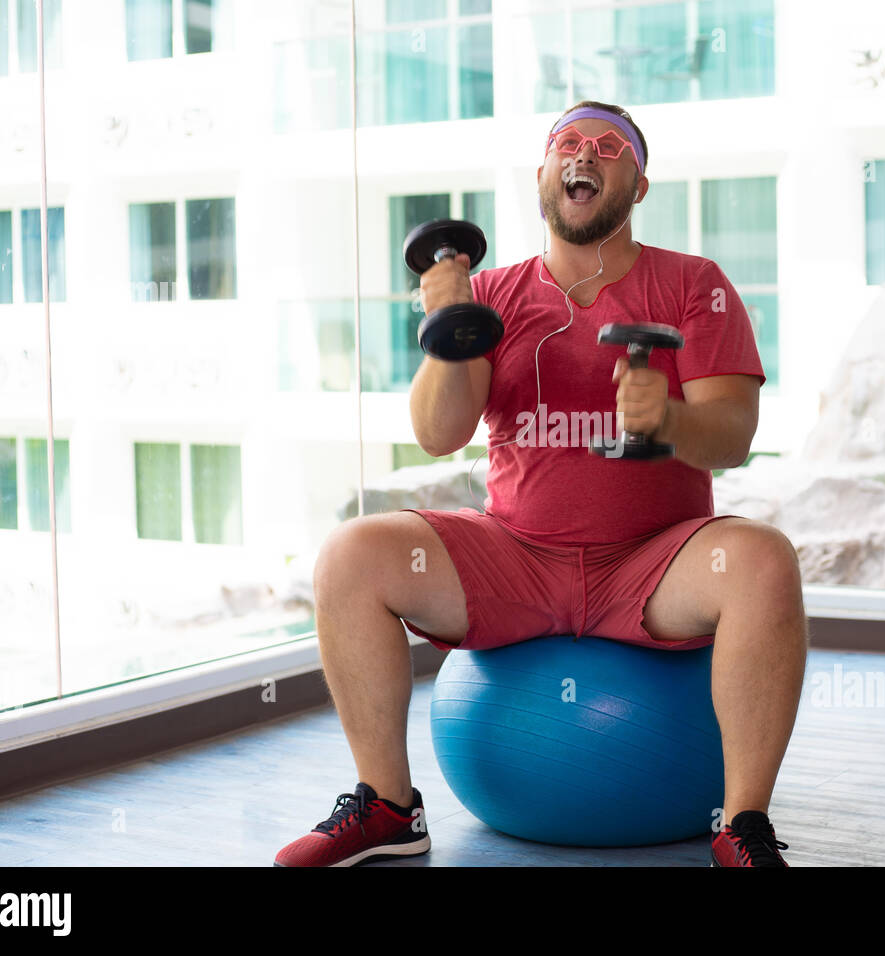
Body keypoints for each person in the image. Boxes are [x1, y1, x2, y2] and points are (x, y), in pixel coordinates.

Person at [275, 101, 808, 868]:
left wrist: (671, 422)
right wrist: (447, 329)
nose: (583, 156)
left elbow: (734, 433)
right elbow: (438, 432)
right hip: (517, 555)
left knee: (762, 559)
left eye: (608, 146)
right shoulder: (489, 296)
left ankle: (743, 823)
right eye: (567, 143)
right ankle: (390, 806)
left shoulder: (696, 286)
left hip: (655, 560)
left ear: (640, 183)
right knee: (350, 555)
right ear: (542, 176)